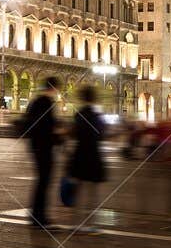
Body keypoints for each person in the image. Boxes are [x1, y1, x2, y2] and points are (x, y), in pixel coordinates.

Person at [19, 77, 61, 229]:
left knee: (42, 181)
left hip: (36, 146)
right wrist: (58, 137)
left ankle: (37, 215)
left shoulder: (35, 102)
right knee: (44, 181)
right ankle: (39, 217)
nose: (57, 92)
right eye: (57, 89)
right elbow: (48, 126)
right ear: (53, 88)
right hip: (44, 147)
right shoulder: (47, 102)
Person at [67, 86, 107, 230]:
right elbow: (102, 134)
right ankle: (91, 224)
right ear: (93, 98)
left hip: (80, 155)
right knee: (92, 192)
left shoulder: (78, 115)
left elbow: (72, 133)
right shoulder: (96, 116)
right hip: (93, 155)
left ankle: (75, 223)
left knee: (79, 190)